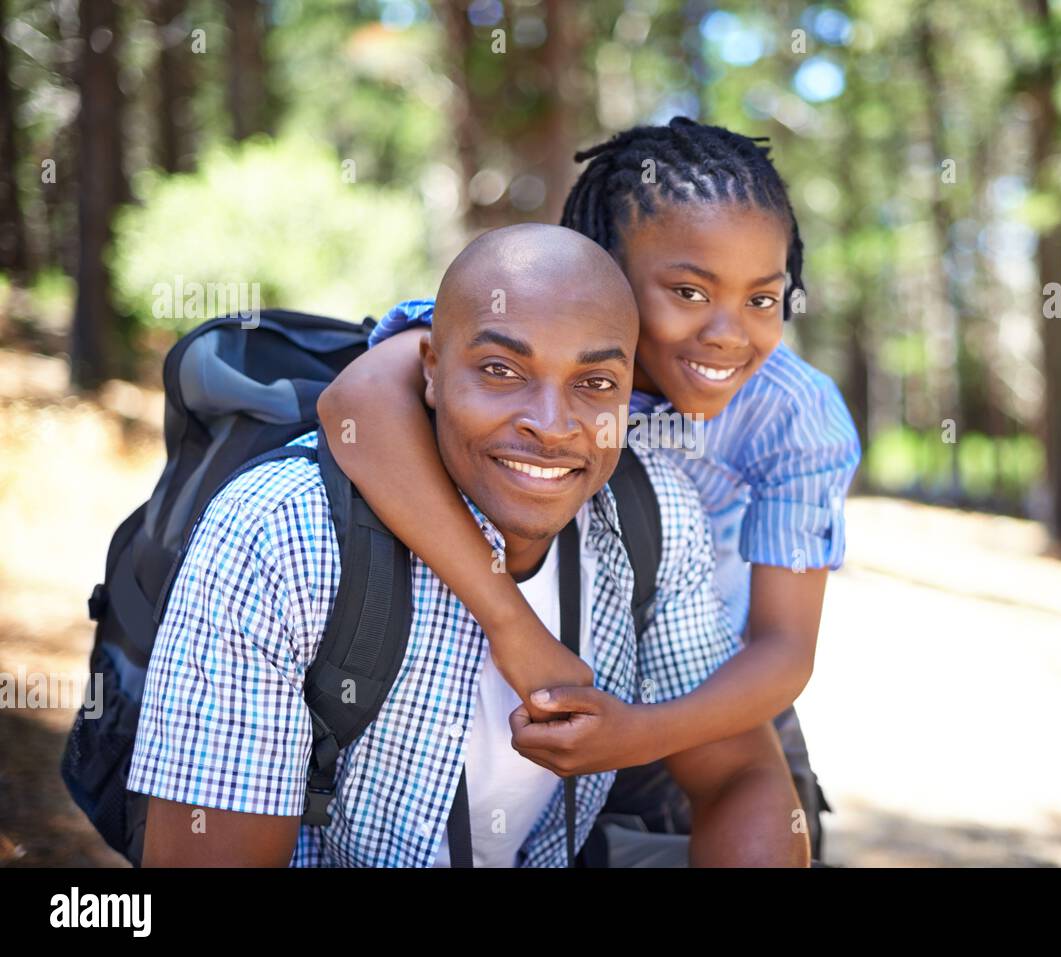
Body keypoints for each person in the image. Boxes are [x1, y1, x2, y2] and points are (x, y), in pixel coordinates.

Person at [126, 224, 808, 867]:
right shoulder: (280, 533)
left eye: (595, 383)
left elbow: (741, 772)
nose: (551, 424)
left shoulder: (652, 512)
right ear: (429, 367)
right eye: (502, 370)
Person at [317, 117, 861, 856]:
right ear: (602, 273)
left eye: (762, 299)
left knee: (778, 824)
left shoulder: (795, 417)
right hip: (547, 653)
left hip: (714, 693)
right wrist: (514, 626)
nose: (729, 333)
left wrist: (639, 733)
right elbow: (357, 405)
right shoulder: (528, 328)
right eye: (689, 291)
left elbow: (785, 652)